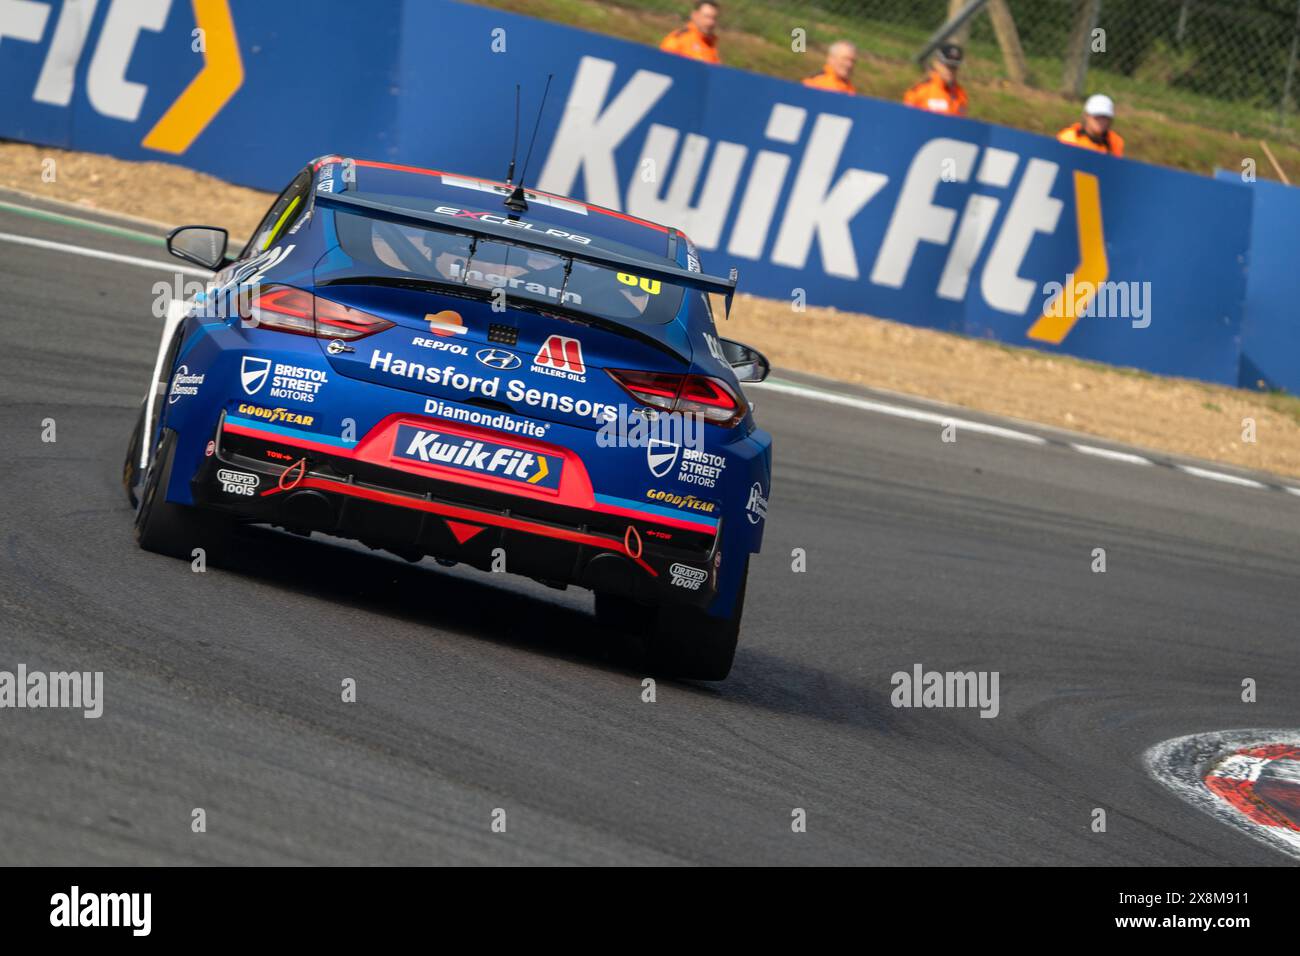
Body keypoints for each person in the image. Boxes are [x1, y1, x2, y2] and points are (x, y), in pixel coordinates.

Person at [902, 43, 968, 116]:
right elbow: (907, 122)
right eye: (947, 65)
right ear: (936, 63)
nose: (951, 70)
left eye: (954, 67)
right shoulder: (919, 93)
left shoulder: (961, 94)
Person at [1057, 94, 1125, 157]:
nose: (1101, 121)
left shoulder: (1115, 142)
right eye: (1097, 116)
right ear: (1086, 115)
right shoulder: (1069, 137)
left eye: (1105, 117)